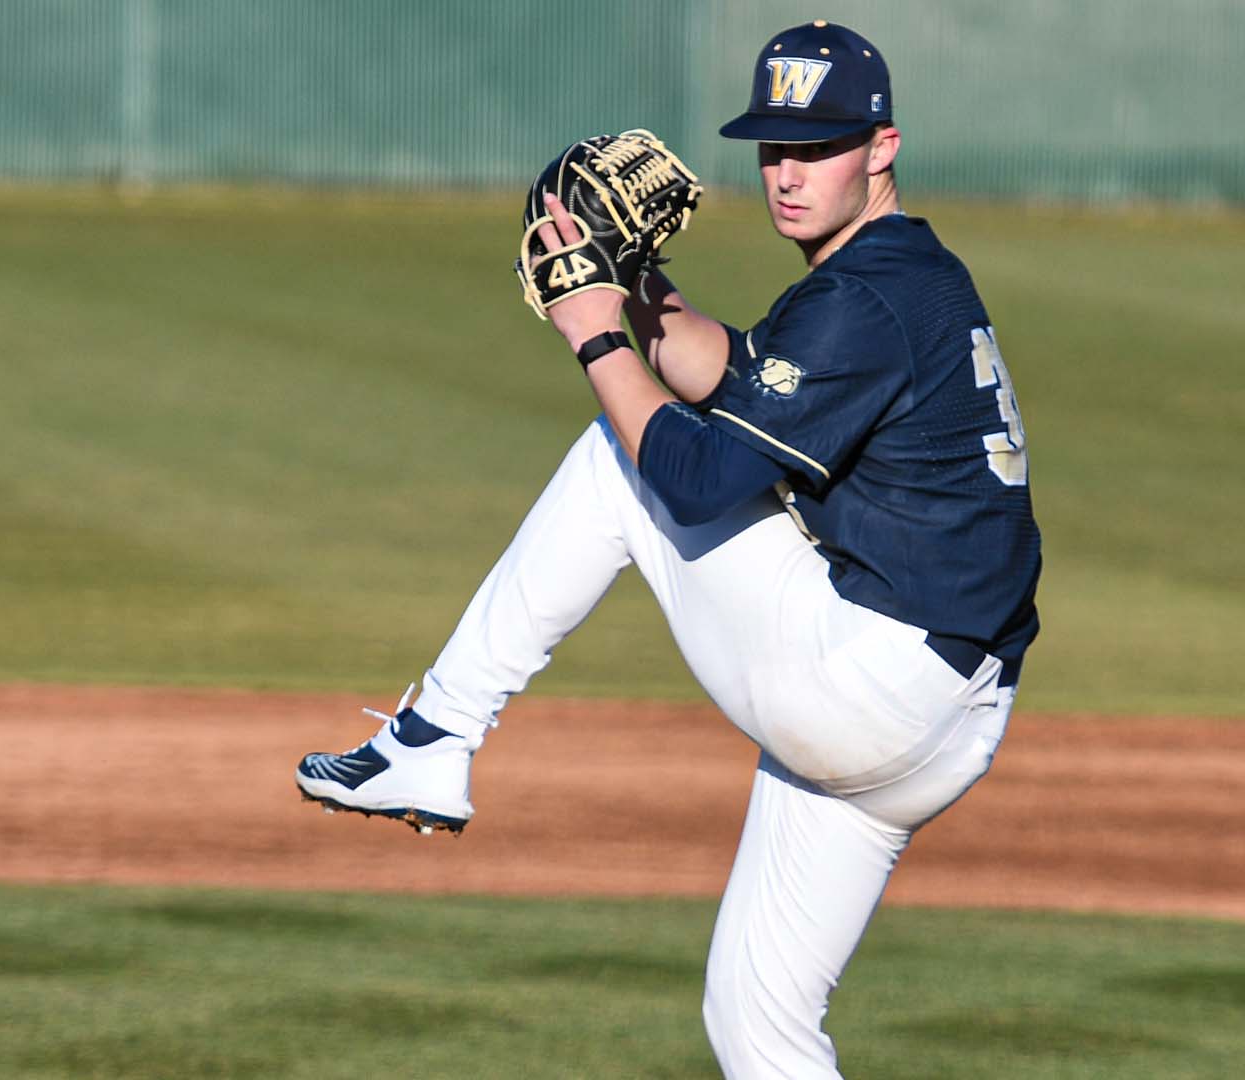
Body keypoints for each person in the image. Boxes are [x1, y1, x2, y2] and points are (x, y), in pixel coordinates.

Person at [296, 20, 1041, 1078]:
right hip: (936, 713)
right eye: (773, 148)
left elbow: (692, 476)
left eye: (818, 147)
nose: (787, 173)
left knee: (622, 459)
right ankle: (435, 739)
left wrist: (595, 332)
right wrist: (641, 287)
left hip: (873, 683)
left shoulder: (859, 299)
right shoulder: (902, 274)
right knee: (757, 1024)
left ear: (883, 147)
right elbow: (737, 379)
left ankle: (436, 734)